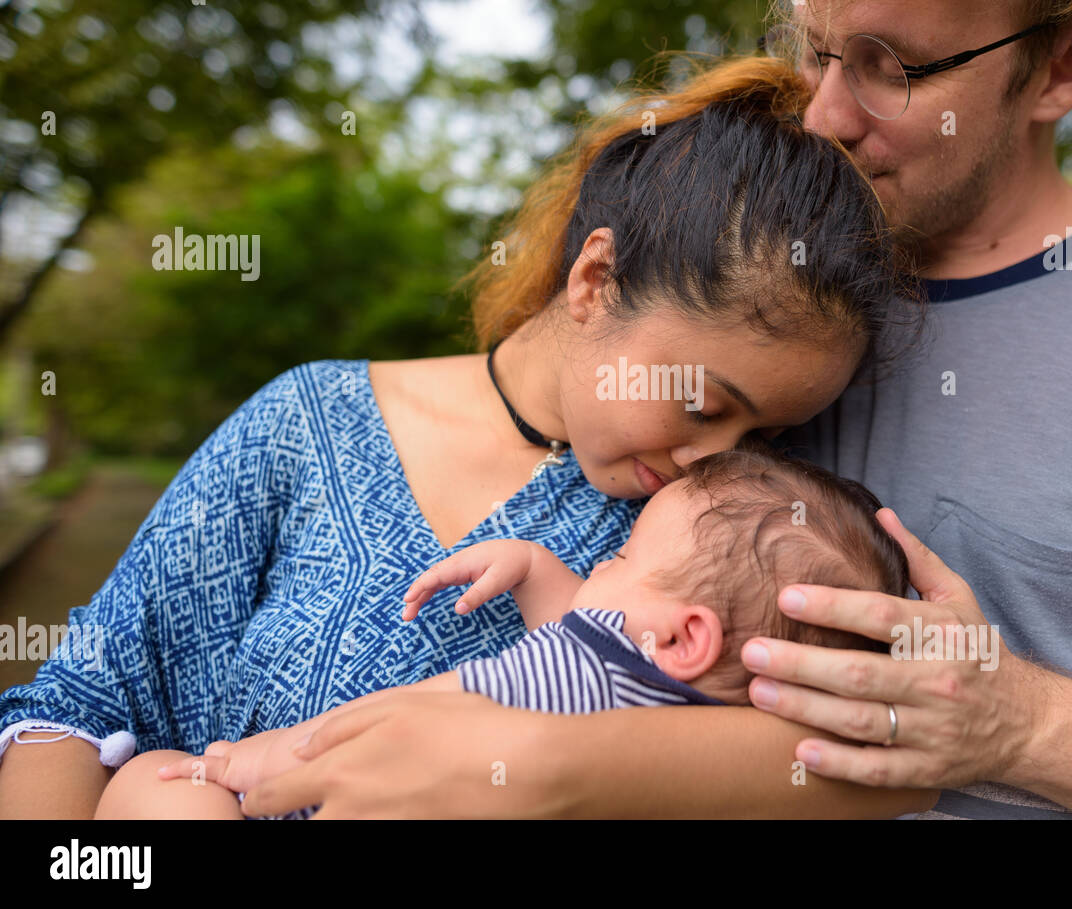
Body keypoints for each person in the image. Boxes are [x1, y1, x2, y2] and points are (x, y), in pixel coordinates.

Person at [233, 0, 1072, 820]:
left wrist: (1026, 726)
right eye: (819, 48)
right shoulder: (730, 303)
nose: (826, 111)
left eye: (891, 65)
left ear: (1067, 65)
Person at [0, 56, 931, 820]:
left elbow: (873, 761)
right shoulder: (308, 422)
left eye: (765, 430)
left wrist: (536, 764)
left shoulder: (719, 546)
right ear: (595, 279)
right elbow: (80, 702)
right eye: (701, 403)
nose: (714, 456)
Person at [93, 448, 922, 818]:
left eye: (624, 555)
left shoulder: (553, 688)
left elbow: (391, 725)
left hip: (320, 787)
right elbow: (585, 631)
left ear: (685, 639)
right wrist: (531, 562)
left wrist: (229, 764)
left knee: (152, 785)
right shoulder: (677, 730)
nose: (601, 566)